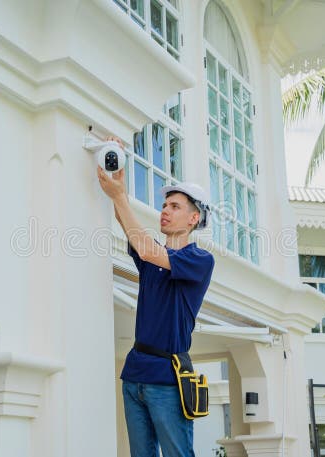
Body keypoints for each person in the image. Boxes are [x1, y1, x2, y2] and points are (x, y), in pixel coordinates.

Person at [97, 137, 215, 457]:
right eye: (164, 205)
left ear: (194, 218)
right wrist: (116, 179)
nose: (165, 211)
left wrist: (120, 196)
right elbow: (128, 227)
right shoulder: (154, 258)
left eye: (175, 206)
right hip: (134, 375)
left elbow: (148, 249)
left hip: (168, 379)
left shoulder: (199, 260)